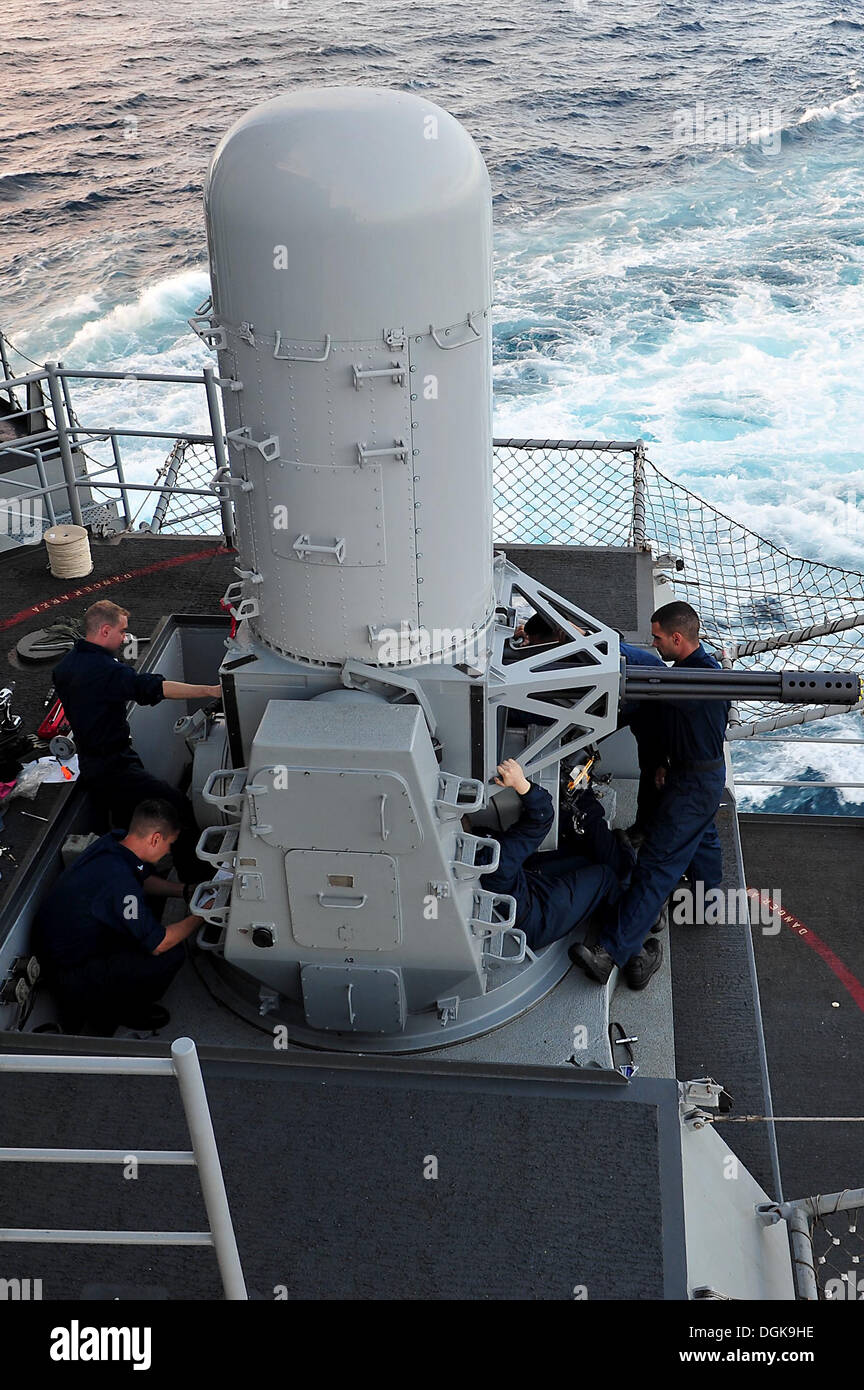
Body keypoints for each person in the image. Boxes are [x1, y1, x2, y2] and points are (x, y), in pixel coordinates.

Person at [572, 601, 729, 991]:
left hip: (695, 785)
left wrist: (595, 643)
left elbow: (650, 671)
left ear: (678, 638)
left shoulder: (698, 681)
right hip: (691, 775)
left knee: (657, 866)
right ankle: (707, 902)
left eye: (659, 638)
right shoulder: (695, 673)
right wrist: (665, 762)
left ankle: (610, 953)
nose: (655, 643)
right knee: (701, 834)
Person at [52, 599, 221, 883]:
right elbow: (151, 688)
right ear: (105, 630)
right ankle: (196, 881)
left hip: (93, 764)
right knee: (176, 806)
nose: (125, 638)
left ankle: (139, 876)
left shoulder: (65, 667)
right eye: (121, 631)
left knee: (126, 824)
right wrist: (208, 689)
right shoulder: (107, 671)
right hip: (115, 766)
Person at [32, 799, 208, 1035]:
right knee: (170, 954)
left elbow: (142, 880)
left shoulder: (114, 842)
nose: (168, 850)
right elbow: (159, 943)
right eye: (169, 844)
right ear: (155, 839)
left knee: (143, 931)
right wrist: (203, 913)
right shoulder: (120, 883)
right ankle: (121, 1010)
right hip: (69, 972)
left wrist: (184, 891)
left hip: (62, 943)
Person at [477, 758, 627, 952]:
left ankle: (627, 873)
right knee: (605, 875)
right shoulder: (496, 857)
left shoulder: (479, 854)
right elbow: (541, 818)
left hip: (521, 887)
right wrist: (520, 784)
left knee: (584, 857)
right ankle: (623, 940)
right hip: (538, 916)